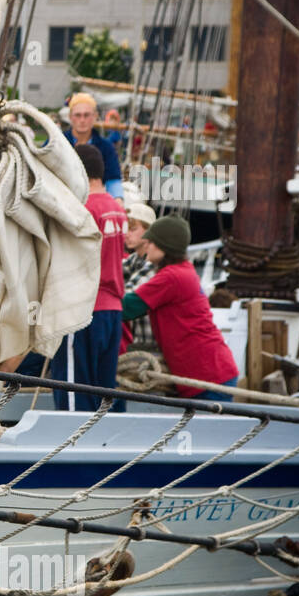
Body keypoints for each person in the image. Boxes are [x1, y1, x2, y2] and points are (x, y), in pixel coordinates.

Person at [122, 216, 239, 401]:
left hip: (208, 377)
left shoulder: (171, 277)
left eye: (151, 242)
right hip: (212, 372)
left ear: (164, 246)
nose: (147, 246)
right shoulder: (183, 271)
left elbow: (126, 307)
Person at [51, 144, 128, 411]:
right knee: (105, 394)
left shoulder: (82, 209)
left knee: (74, 394)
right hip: (112, 311)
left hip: (83, 311)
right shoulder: (116, 208)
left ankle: (72, 451)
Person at [64, 92, 123, 199]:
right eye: (78, 115)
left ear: (95, 116)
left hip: (96, 201)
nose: (82, 120)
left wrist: (118, 200)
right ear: (70, 117)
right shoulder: (57, 143)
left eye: (86, 115)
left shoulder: (106, 147)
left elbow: (113, 179)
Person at [120, 201, 158, 353]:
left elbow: (128, 294)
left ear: (148, 231)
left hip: (150, 345)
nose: (126, 234)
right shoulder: (135, 260)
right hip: (141, 342)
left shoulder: (152, 263)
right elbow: (113, 273)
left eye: (133, 229)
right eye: (125, 229)